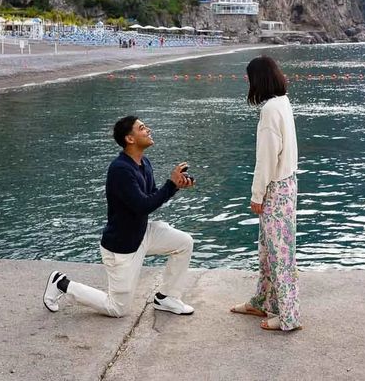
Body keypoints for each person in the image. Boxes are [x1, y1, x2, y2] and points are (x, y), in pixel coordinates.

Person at [43, 116, 195, 317]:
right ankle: (62, 284)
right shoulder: (120, 170)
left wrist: (175, 186)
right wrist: (170, 184)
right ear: (130, 139)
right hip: (122, 246)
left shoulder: (143, 163)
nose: (148, 130)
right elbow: (142, 206)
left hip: (142, 233)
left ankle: (167, 297)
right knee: (117, 308)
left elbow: (150, 198)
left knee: (184, 242)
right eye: (142, 128)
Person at [231, 55, 301, 331]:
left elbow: (267, 158)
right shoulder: (282, 103)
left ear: (258, 79)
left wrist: (257, 195)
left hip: (275, 187)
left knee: (280, 254)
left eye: (249, 78)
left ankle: (288, 315)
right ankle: (263, 301)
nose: (248, 83)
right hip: (287, 183)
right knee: (268, 251)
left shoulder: (271, 110)